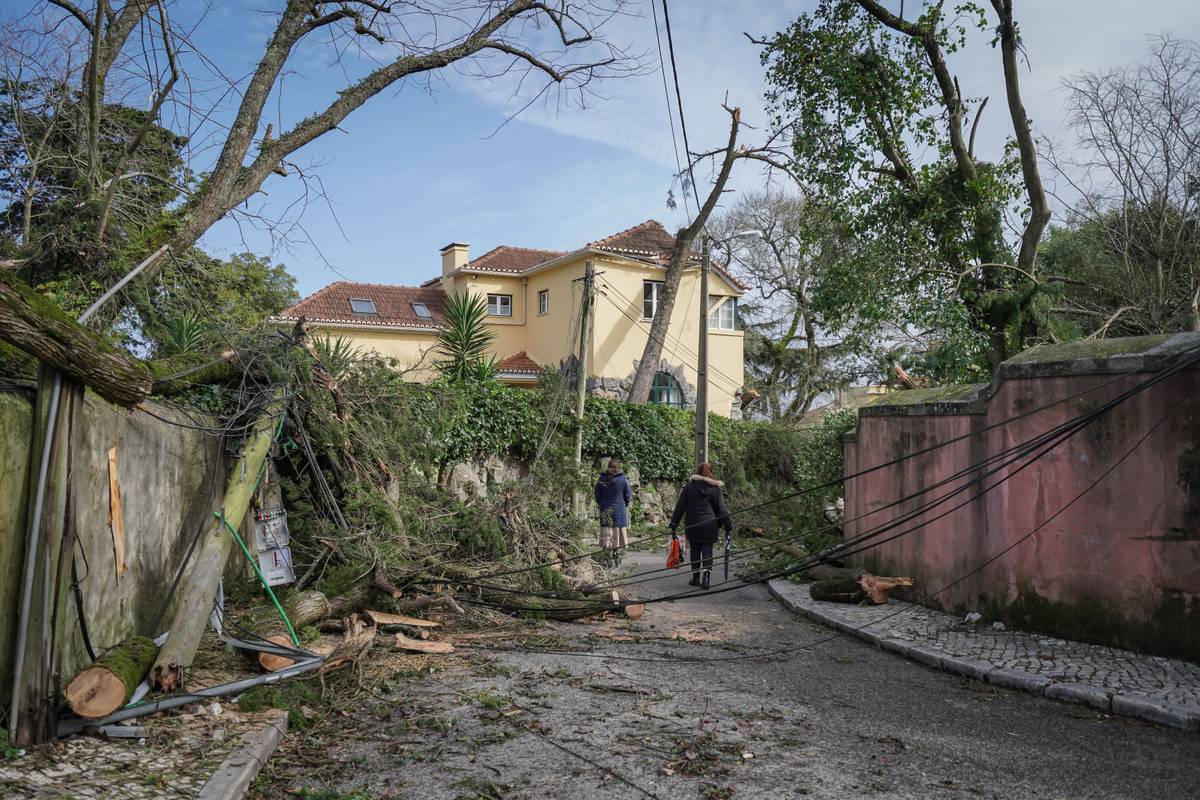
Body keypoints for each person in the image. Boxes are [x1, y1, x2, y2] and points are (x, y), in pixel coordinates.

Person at [668, 463, 732, 590]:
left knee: (695, 550)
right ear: (710, 473)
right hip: (710, 525)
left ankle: (696, 578)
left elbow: (680, 507)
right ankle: (706, 578)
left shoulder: (689, 487)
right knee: (707, 550)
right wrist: (728, 525)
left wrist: (673, 524)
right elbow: (721, 509)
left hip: (693, 525)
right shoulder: (715, 488)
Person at [594, 459, 632, 566]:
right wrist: (624, 505)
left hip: (606, 509)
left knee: (607, 530)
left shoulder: (601, 480)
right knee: (616, 530)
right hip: (619, 510)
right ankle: (616, 552)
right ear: (618, 468)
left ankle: (607, 554)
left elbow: (597, 494)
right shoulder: (623, 480)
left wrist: (602, 503)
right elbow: (628, 495)